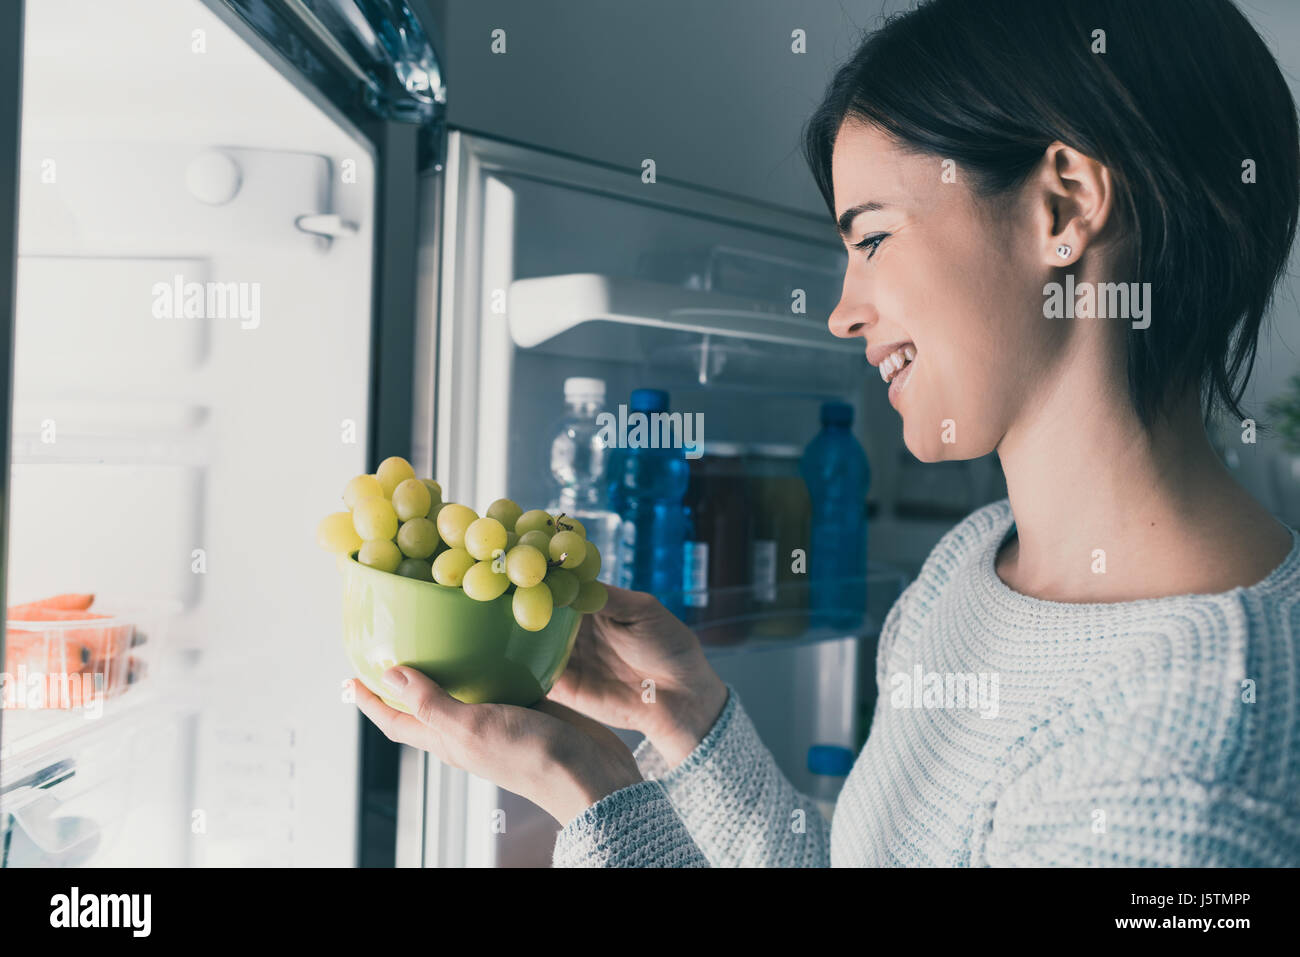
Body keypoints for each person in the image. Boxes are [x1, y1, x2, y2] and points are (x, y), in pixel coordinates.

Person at [353, 0, 1300, 866]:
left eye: (873, 237)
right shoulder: (972, 566)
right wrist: (689, 724)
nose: (843, 312)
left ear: (1063, 206)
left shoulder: (1191, 766)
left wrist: (589, 790)